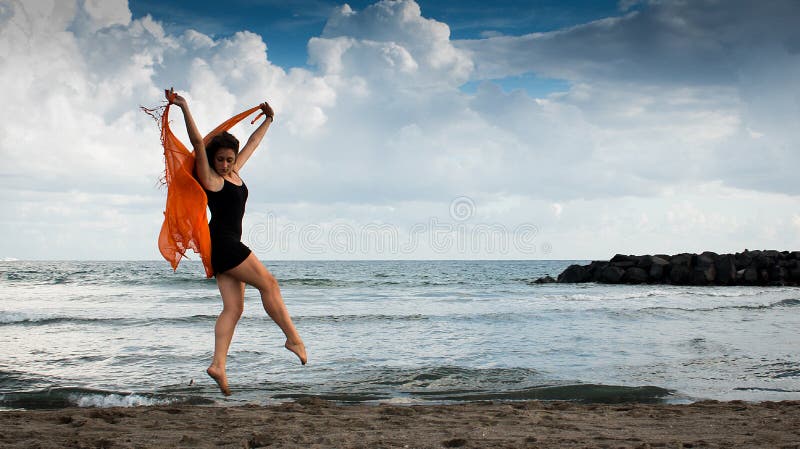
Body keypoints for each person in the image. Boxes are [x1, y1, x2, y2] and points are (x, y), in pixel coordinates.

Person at [167, 89, 307, 396]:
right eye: (220, 160)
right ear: (212, 159)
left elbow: (253, 144)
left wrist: (269, 120)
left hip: (223, 248)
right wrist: (184, 106)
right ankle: (292, 338)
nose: (226, 164)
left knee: (233, 308)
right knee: (269, 284)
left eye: (230, 159)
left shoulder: (234, 173)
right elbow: (197, 142)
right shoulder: (211, 179)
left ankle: (218, 365)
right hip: (224, 243)